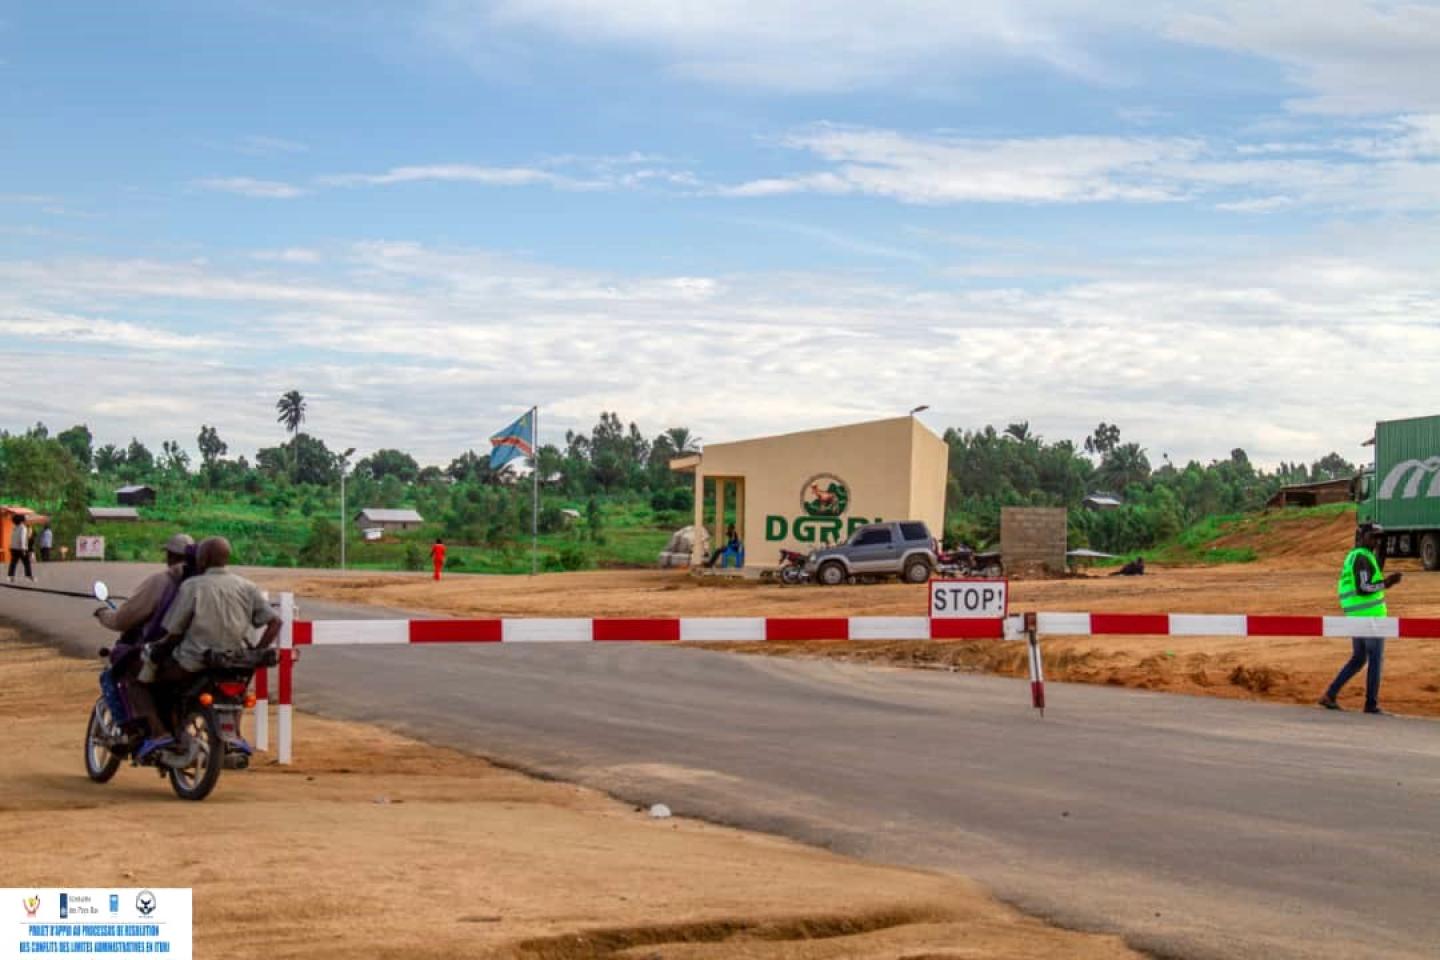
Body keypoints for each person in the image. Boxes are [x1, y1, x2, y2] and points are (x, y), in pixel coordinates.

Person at [131, 537, 280, 757]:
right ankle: (234, 734)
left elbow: (175, 631)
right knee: (237, 696)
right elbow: (275, 622)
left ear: (203, 559)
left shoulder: (192, 586)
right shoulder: (247, 586)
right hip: (234, 664)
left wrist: (158, 650)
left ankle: (159, 734)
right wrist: (254, 653)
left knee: (140, 683)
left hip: (193, 664)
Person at [93, 533, 196, 731]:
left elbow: (124, 619)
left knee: (127, 670)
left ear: (170, 556)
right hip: (203, 655)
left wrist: (103, 614)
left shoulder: (161, 582)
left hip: (167, 653)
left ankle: (154, 730)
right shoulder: (204, 582)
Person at [1320, 523, 1401, 714]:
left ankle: (1330, 694)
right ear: (1362, 537)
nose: (1376, 541)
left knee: (1358, 658)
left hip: (1357, 616)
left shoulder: (1355, 556)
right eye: (1373, 537)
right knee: (1375, 659)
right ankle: (1371, 704)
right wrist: (1387, 583)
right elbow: (1363, 588)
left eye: (1378, 538)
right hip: (1370, 618)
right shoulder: (1362, 557)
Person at [7, 514, 34, 582]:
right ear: (22, 521)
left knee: (13, 563)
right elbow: (22, 539)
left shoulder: (14, 528)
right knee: (27, 563)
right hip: (21, 548)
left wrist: (11, 546)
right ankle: (29, 576)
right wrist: (23, 549)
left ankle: (11, 577)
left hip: (13, 548)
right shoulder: (23, 528)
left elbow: (12, 538)